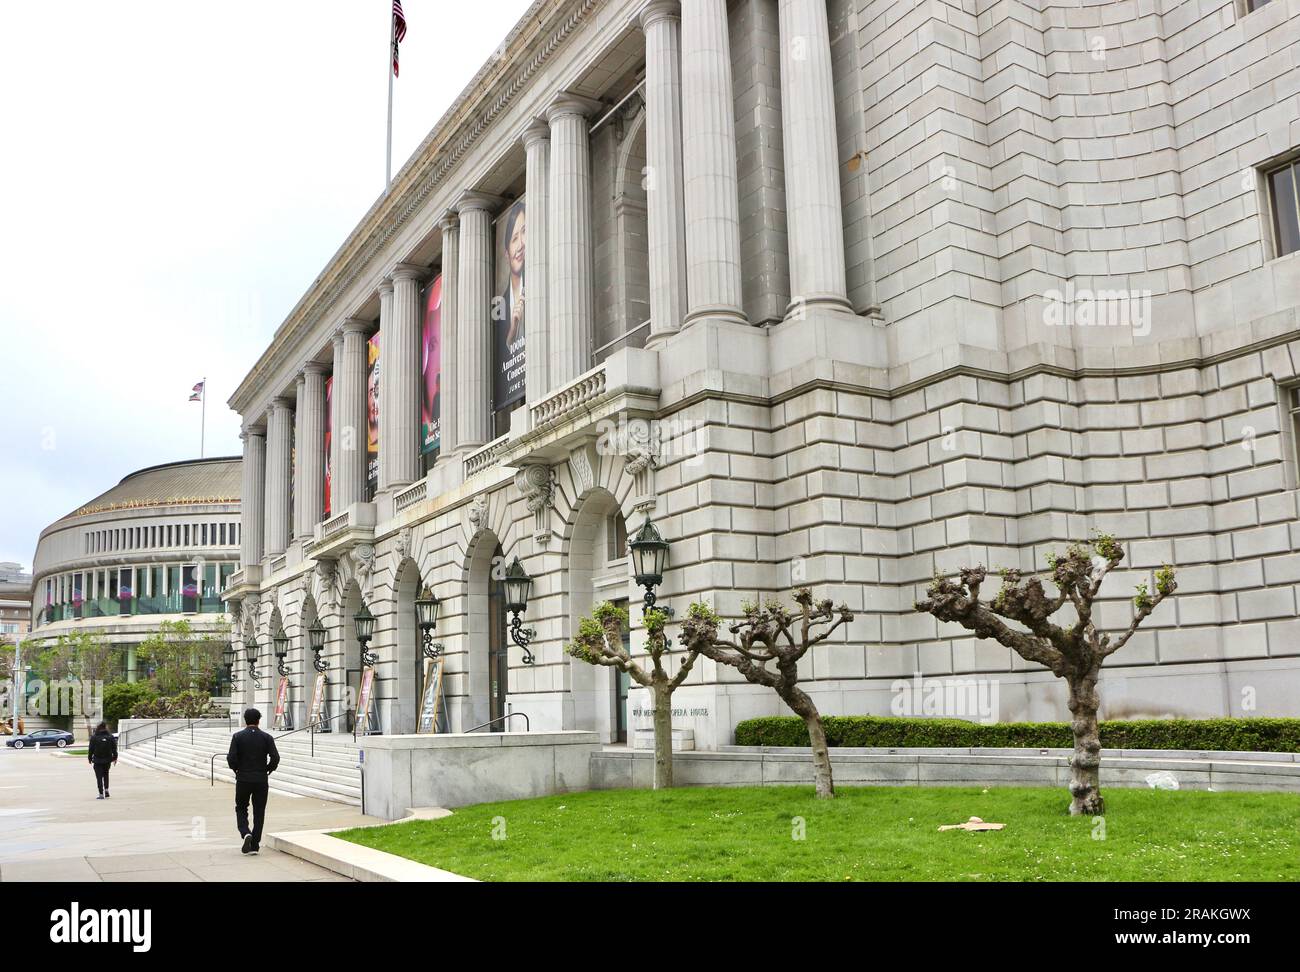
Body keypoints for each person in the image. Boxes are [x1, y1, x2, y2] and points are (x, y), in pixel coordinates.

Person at [226, 707, 280, 854]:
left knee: (241, 807)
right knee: (259, 811)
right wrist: (269, 769)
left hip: (243, 778)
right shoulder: (267, 737)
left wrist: (236, 769)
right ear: (258, 720)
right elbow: (275, 757)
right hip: (261, 779)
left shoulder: (238, 737)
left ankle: (245, 832)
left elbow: (231, 758)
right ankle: (255, 844)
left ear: (245, 720)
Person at [87, 722, 117, 799]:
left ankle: (101, 794)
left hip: (97, 760)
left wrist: (89, 758)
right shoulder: (110, 737)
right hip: (107, 760)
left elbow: (91, 749)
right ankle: (106, 790)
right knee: (106, 774)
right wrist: (115, 757)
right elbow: (114, 748)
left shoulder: (94, 737)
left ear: (98, 727)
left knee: (99, 777)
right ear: (105, 727)